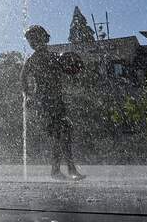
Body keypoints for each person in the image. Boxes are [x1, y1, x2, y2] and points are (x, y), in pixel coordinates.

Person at [22, 25, 85, 180]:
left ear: (44, 39)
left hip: (57, 101)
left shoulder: (54, 57)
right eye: (32, 40)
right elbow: (23, 78)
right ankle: (62, 170)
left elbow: (69, 69)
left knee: (64, 133)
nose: (34, 42)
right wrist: (29, 96)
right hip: (45, 102)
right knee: (60, 133)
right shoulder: (34, 60)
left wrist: (73, 68)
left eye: (36, 38)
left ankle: (63, 170)